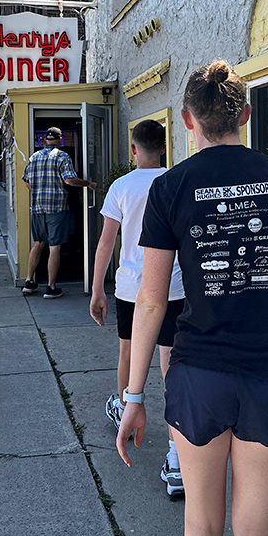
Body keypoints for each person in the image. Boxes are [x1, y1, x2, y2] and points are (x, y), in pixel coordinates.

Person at [117, 60, 268, 536]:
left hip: (199, 376)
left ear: (187, 120)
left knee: (202, 526)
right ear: (245, 116)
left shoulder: (171, 187)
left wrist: (133, 395)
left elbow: (152, 301)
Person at [90, 119, 186, 496]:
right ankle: (177, 459)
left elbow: (105, 244)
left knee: (129, 352)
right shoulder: (177, 181)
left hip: (132, 287)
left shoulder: (121, 187)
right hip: (174, 285)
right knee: (171, 362)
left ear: (134, 149)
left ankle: (126, 411)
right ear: (165, 147)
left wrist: (97, 288)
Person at [22, 126, 96, 299]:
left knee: (38, 243)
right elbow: (69, 180)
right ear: (60, 140)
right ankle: (51, 287)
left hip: (37, 208)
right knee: (55, 246)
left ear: (44, 140)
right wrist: (88, 184)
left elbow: (27, 183)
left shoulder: (34, 157)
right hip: (57, 208)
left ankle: (28, 283)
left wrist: (40, 191)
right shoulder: (62, 156)